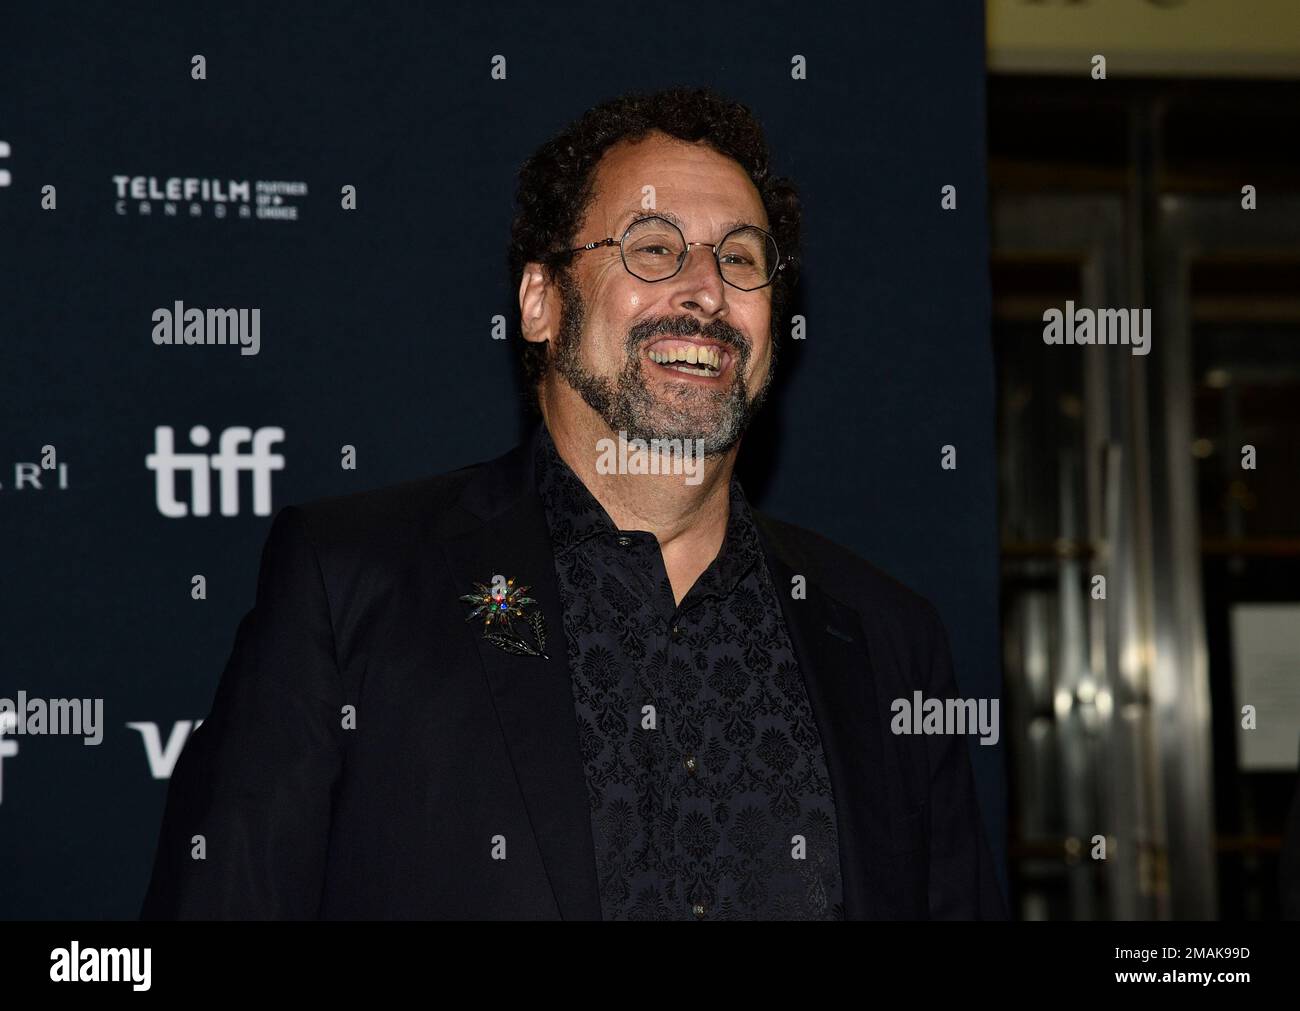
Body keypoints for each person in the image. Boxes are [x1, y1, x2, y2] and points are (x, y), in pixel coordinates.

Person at [141, 86, 1005, 921]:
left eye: (741, 257)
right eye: (653, 246)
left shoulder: (890, 642)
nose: (706, 290)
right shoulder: (351, 590)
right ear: (541, 300)